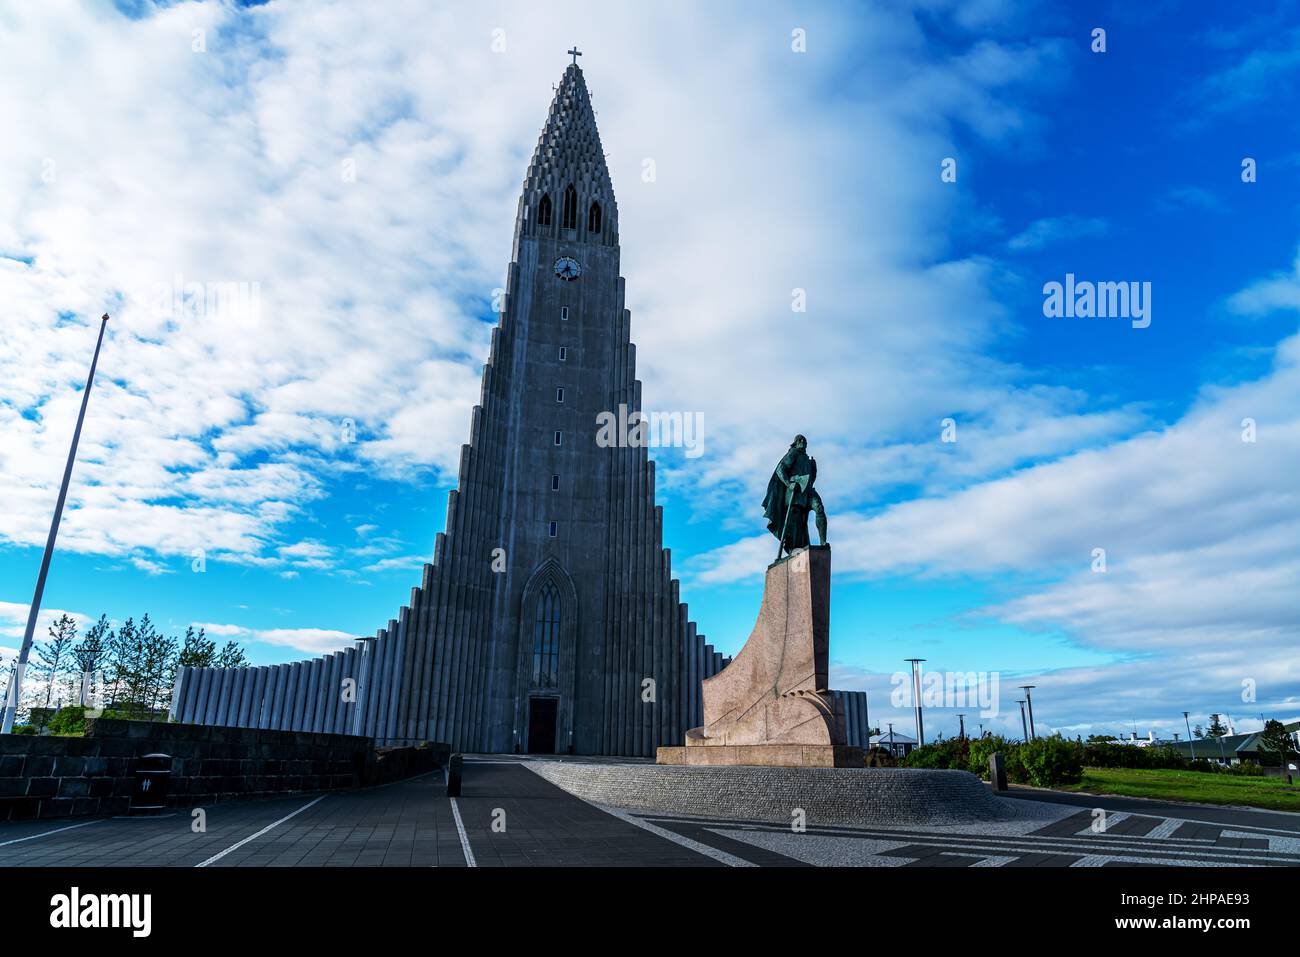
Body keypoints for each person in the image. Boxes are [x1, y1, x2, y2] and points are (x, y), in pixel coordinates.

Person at [761, 434, 827, 557]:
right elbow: (780, 469)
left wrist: (814, 469)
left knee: (819, 509)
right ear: (795, 443)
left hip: (807, 490)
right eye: (800, 440)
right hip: (795, 491)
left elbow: (811, 479)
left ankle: (823, 542)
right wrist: (788, 483)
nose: (803, 442)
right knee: (795, 522)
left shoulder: (807, 458)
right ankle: (792, 547)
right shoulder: (793, 453)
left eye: (804, 440)